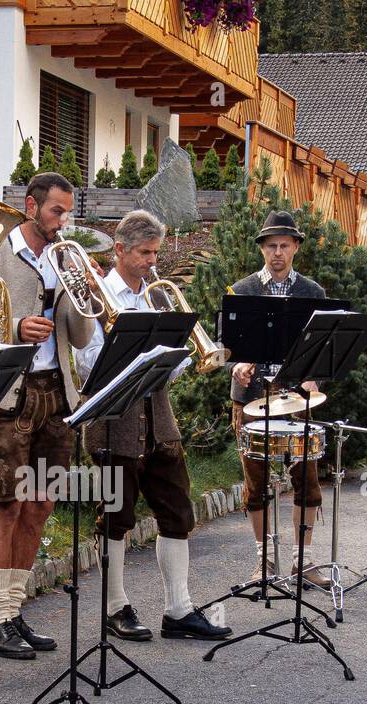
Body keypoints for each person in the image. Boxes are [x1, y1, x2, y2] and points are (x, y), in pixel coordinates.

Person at [75, 209, 231, 641]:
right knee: (116, 516)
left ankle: (178, 610)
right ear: (120, 249)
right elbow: (87, 366)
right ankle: (115, 607)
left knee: (177, 511)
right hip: (114, 422)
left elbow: (177, 368)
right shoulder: (95, 297)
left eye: (156, 253)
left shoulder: (157, 296)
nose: (152, 262)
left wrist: (174, 357)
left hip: (159, 419)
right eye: (144, 253)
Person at [0, 172, 94, 658]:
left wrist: (83, 293)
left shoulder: (65, 257)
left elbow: (82, 338)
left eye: (68, 212)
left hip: (55, 393)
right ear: (30, 206)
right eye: (56, 212)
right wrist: (14, 325)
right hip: (9, 394)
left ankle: (14, 609)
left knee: (40, 504)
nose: (63, 221)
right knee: (7, 504)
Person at [228, 211, 330, 587]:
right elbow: (225, 349)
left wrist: (315, 379)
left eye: (284, 246)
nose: (277, 253)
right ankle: (264, 560)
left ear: (296, 248)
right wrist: (236, 366)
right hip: (252, 397)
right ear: (261, 249)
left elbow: (321, 348)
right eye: (271, 246)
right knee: (255, 481)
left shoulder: (313, 293)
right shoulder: (240, 291)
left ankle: (302, 560)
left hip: (297, 397)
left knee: (307, 477)